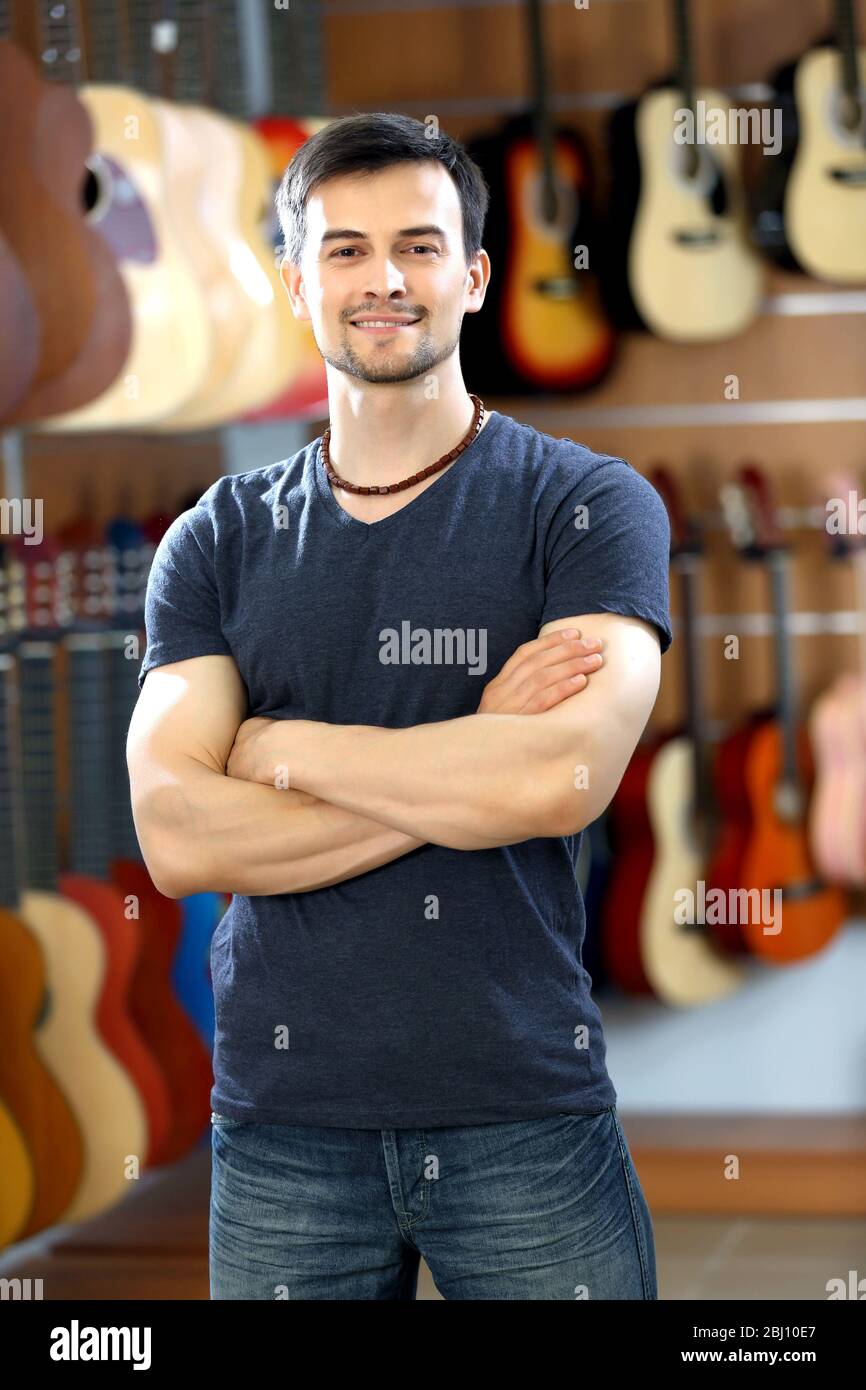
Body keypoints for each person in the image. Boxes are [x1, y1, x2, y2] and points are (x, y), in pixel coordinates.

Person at [127, 112, 672, 1300]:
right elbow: (177, 836)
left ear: (475, 276)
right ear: (291, 280)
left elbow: (557, 780)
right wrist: (471, 753)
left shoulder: (585, 507)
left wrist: (282, 750)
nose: (384, 278)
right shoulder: (213, 540)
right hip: (284, 1128)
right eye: (344, 249)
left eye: (420, 247)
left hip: (520, 1109)